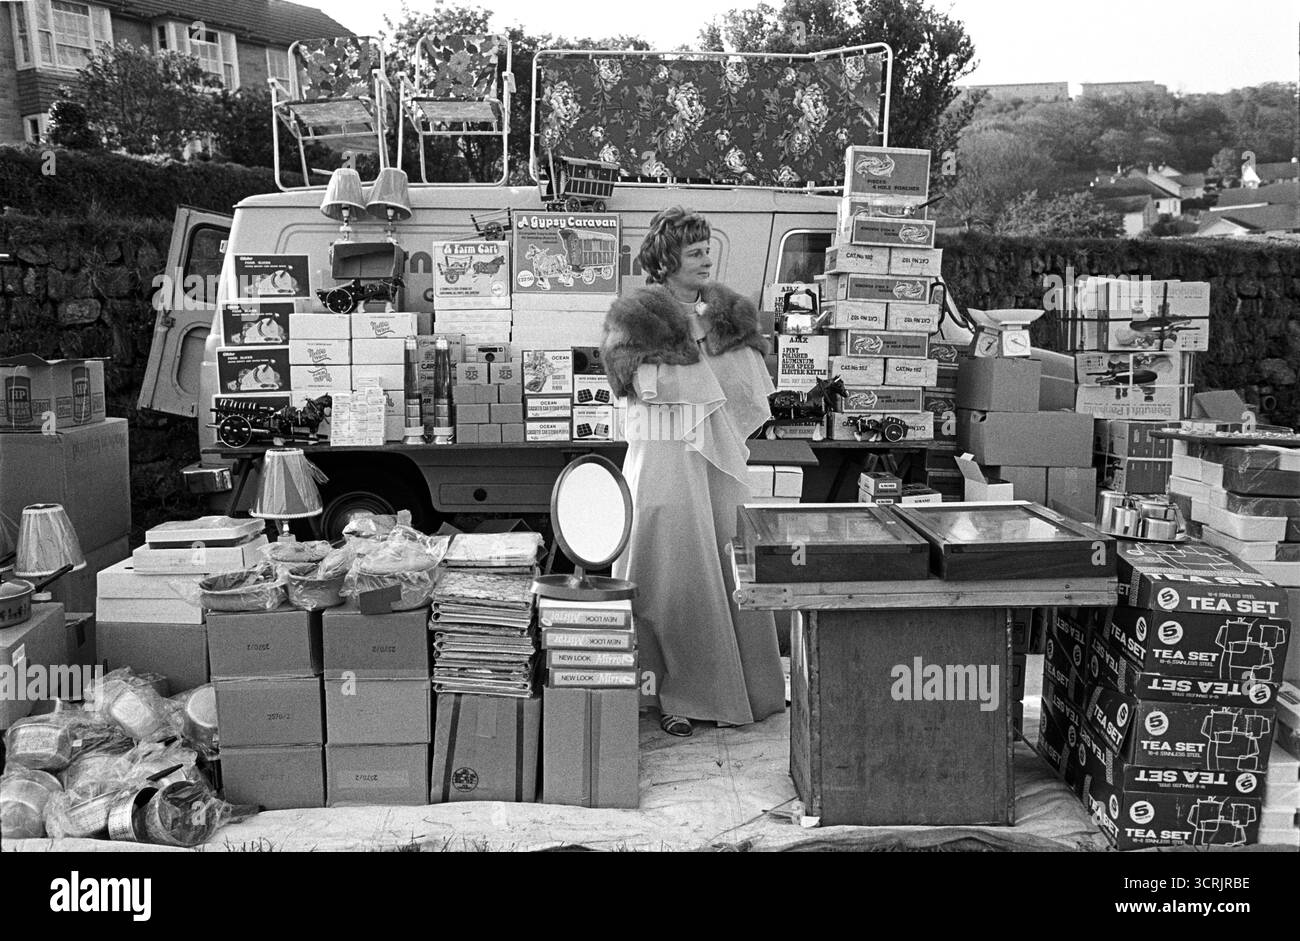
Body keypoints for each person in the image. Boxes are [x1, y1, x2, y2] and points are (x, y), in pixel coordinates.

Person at [601, 207, 785, 737]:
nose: (707, 259)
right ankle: (668, 693)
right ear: (667, 259)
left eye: (708, 250)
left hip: (715, 459)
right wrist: (687, 370)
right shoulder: (635, 317)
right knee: (667, 568)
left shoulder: (725, 315)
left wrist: (710, 365)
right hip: (662, 456)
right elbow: (636, 385)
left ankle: (742, 687)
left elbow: (746, 387)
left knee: (729, 564)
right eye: (696, 251)